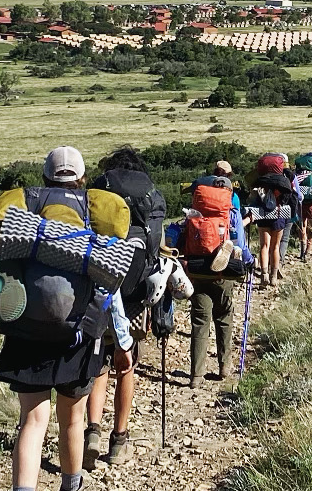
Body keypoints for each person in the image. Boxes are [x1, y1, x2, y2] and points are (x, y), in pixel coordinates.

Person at [0, 146, 131, 491]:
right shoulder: (98, 208)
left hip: (26, 328)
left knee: (32, 420)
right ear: (82, 178)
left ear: (45, 176)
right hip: (77, 331)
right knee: (73, 418)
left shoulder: (22, 203)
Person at [84, 146, 164, 468]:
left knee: (99, 362)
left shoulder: (98, 189)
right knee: (126, 363)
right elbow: (154, 248)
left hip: (97, 286)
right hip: (131, 292)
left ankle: (92, 431)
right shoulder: (150, 193)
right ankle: (119, 439)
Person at [167, 173, 251, 387]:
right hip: (223, 275)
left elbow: (176, 238)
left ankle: (196, 375)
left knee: (199, 322)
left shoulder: (194, 213)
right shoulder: (230, 214)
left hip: (196, 272)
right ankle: (224, 367)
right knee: (224, 317)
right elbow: (240, 243)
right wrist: (249, 262)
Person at [250, 154, 297, 287]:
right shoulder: (282, 180)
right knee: (275, 247)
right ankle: (273, 276)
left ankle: (263, 275)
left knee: (264, 246)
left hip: (263, 214)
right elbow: (289, 196)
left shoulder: (260, 180)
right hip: (279, 214)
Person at [292, 153, 312, 260]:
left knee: (302, 226)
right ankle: (308, 251)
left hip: (300, 202)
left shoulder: (297, 173)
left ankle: (302, 250)